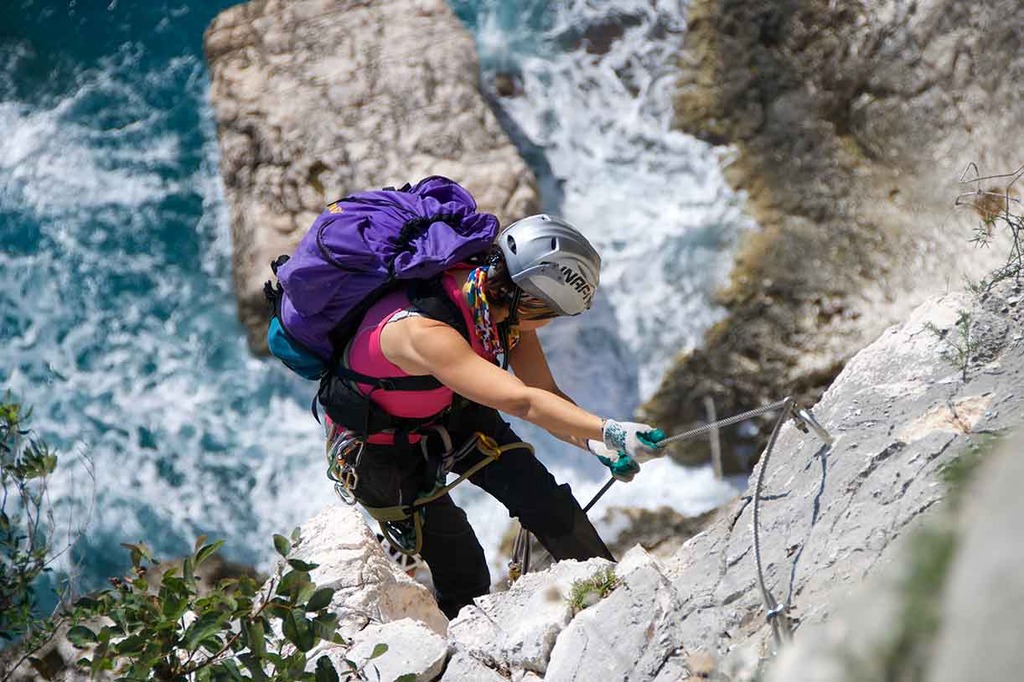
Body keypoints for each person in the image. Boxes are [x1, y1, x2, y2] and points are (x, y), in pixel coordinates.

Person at [328, 213, 665, 618]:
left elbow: (544, 393)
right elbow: (522, 402)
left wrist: (594, 442)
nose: (549, 323)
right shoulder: (423, 332)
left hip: (451, 413)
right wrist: (609, 430)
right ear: (531, 298)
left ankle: (615, 603)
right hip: (379, 447)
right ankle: (464, 651)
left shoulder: (503, 309)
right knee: (462, 565)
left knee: (549, 503)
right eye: (551, 313)